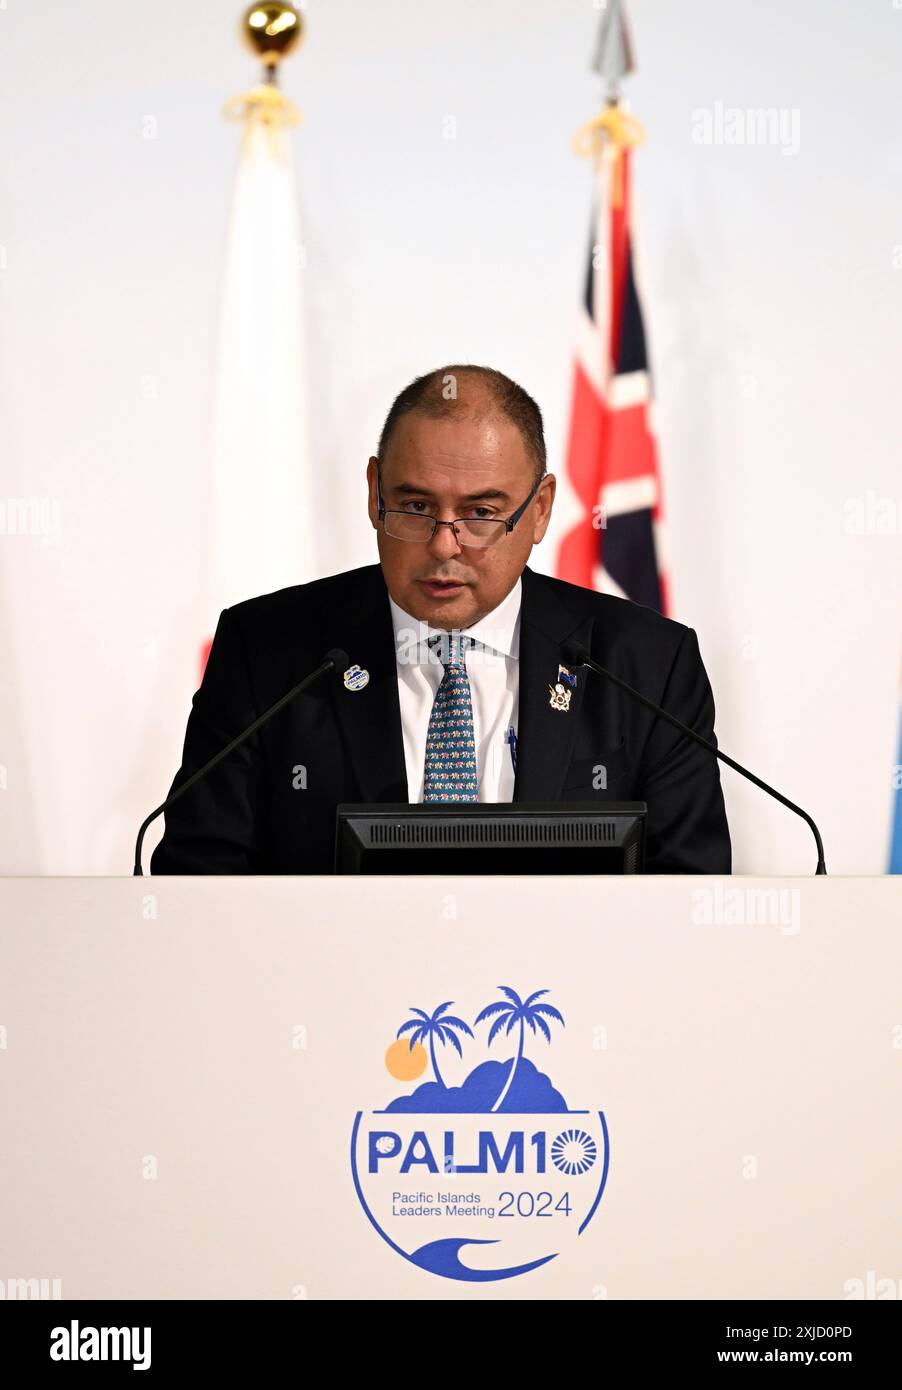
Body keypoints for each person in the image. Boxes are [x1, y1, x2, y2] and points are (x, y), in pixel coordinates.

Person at [151, 364, 731, 874]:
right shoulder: (268, 654)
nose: (444, 546)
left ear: (540, 511)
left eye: (481, 513)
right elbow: (198, 883)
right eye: (417, 507)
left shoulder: (647, 667)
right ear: (375, 492)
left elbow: (689, 893)